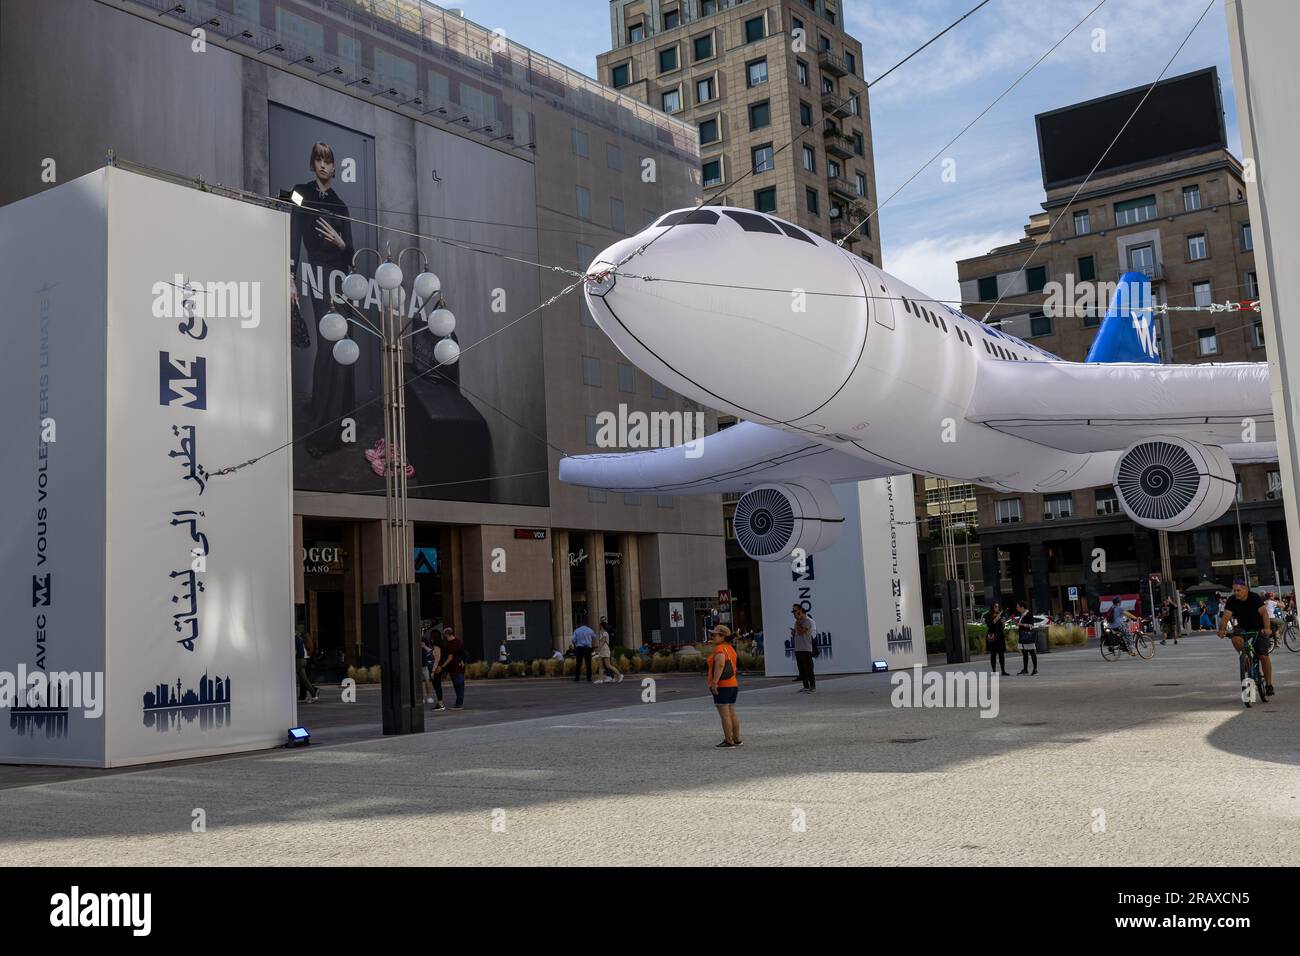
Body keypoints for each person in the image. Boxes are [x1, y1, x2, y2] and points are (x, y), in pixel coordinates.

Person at [1219, 579, 1274, 698]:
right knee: (1235, 638)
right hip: (1243, 627)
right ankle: (1245, 657)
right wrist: (1222, 630)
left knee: (1263, 656)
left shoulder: (1254, 598)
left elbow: (1264, 614)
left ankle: (1269, 685)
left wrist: (1267, 629)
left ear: (1245, 590)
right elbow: (1225, 617)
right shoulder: (1232, 600)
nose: (1236, 593)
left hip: (1259, 628)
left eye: (1238, 590)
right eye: (1234, 590)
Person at [707, 624, 741, 748]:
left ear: (722, 636)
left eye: (714, 634)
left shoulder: (720, 649)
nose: (712, 636)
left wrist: (715, 682)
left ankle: (729, 740)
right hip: (733, 684)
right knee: (732, 713)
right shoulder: (731, 648)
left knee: (725, 715)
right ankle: (737, 739)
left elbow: (720, 664)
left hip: (723, 685)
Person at [790, 604, 817, 693]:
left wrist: (798, 621)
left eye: (796, 611)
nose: (794, 613)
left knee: (808, 668)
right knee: (801, 669)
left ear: (801, 611)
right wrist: (794, 632)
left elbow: (801, 632)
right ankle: (806, 686)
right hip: (798, 648)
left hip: (805, 648)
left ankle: (812, 686)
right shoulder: (797, 622)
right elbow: (797, 633)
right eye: (793, 612)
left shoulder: (807, 621)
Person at [441, 627, 466, 708]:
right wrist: (462, 660)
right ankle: (460, 702)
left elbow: (450, 658)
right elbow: (463, 652)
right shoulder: (459, 641)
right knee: (461, 685)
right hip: (460, 666)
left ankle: (459, 704)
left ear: (446, 634)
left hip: (454, 667)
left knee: (457, 685)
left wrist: (442, 666)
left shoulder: (449, 644)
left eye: (444, 634)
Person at [984, 603, 1009, 676]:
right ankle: (994, 671)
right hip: (992, 635)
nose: (997, 608)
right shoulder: (988, 615)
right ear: (992, 607)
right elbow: (989, 625)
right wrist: (996, 618)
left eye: (998, 606)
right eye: (996, 606)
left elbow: (1003, 626)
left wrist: (1003, 623)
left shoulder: (1000, 615)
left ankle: (1003, 671)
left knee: (1001, 654)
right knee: (993, 654)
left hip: (1000, 636)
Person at [295, 628, 319, 703]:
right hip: (303, 660)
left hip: (298, 660)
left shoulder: (293, 639)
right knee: (304, 680)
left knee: (288, 678)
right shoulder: (299, 639)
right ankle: (314, 695)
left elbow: (295, 651)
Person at [1014, 601, 1038, 675]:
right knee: (1024, 654)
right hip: (1022, 636)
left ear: (1022, 607)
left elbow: (1031, 625)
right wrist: (1018, 624)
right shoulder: (1022, 615)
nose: (1017, 608)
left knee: (1032, 652)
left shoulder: (1028, 614)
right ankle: (1025, 669)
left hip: (1028, 636)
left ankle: (1035, 669)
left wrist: (1020, 624)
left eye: (1018, 607)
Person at [426, 626, 446, 711]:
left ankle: (441, 704)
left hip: (436, 669)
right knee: (437, 686)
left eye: (431, 636)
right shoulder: (439, 646)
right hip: (437, 668)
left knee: (437, 686)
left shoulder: (437, 647)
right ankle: (439, 703)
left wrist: (433, 671)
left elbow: (436, 660)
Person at [420, 626, 436, 703]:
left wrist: (424, 646)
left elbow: (431, 650)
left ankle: (429, 697)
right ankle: (421, 697)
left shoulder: (424, 639)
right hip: (415, 665)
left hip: (424, 664)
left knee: (427, 681)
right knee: (418, 683)